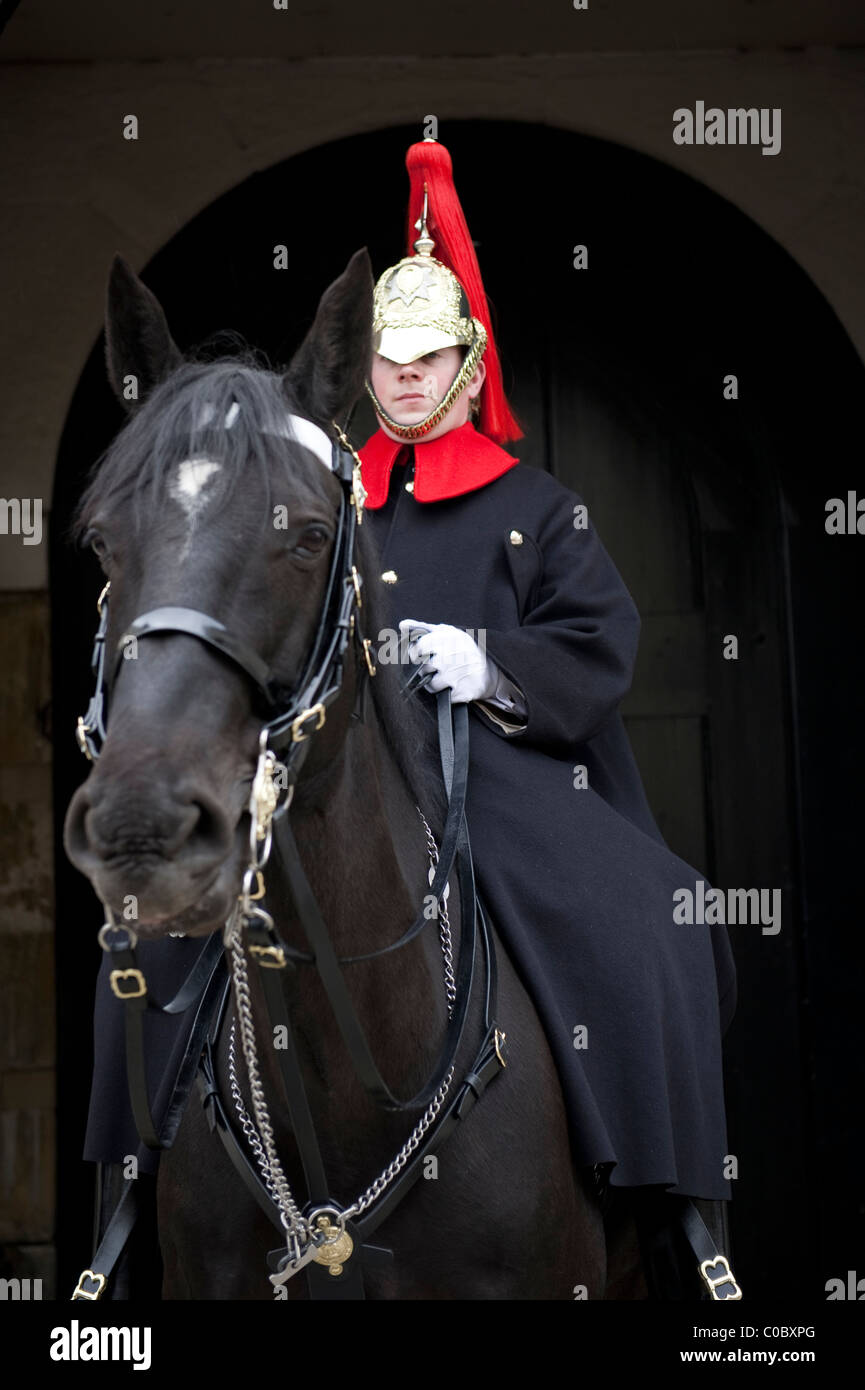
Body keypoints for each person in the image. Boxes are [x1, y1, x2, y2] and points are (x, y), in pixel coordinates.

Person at [357, 137, 737, 1297]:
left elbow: (599, 645)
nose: (407, 379)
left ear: (469, 369)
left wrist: (485, 661)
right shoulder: (326, 498)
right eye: (388, 361)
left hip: (504, 766)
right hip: (349, 770)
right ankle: (129, 1201)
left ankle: (680, 1207)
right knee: (165, 926)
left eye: (429, 361)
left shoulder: (538, 505)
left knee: (652, 918)